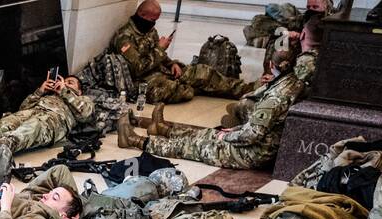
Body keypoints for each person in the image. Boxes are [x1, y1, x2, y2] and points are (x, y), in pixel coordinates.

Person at [121, 46, 318, 169]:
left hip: (252, 153)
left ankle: (136, 141)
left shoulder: (276, 97)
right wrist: (233, 131)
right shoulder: (294, 84)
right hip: (262, 145)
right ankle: (165, 129)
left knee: (191, 147)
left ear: (270, 65)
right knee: (208, 134)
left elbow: (252, 135)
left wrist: (228, 136)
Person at [110, 1, 255, 104]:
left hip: (163, 71)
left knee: (204, 72)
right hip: (145, 81)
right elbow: (137, 68)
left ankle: (249, 90)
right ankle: (195, 87)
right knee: (179, 91)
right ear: (141, 14)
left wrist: (171, 63)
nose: (154, 23)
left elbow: (159, 56)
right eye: (152, 19)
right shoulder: (124, 38)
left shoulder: (149, 31)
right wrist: (160, 49)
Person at [0, 74, 96, 155]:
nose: (64, 83)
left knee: (34, 125)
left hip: (54, 118)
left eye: (69, 82)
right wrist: (41, 91)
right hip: (34, 111)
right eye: (64, 81)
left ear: (80, 90)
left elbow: (85, 113)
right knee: (8, 120)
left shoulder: (83, 99)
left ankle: (2, 147)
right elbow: (23, 108)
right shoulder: (50, 95)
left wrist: (64, 90)